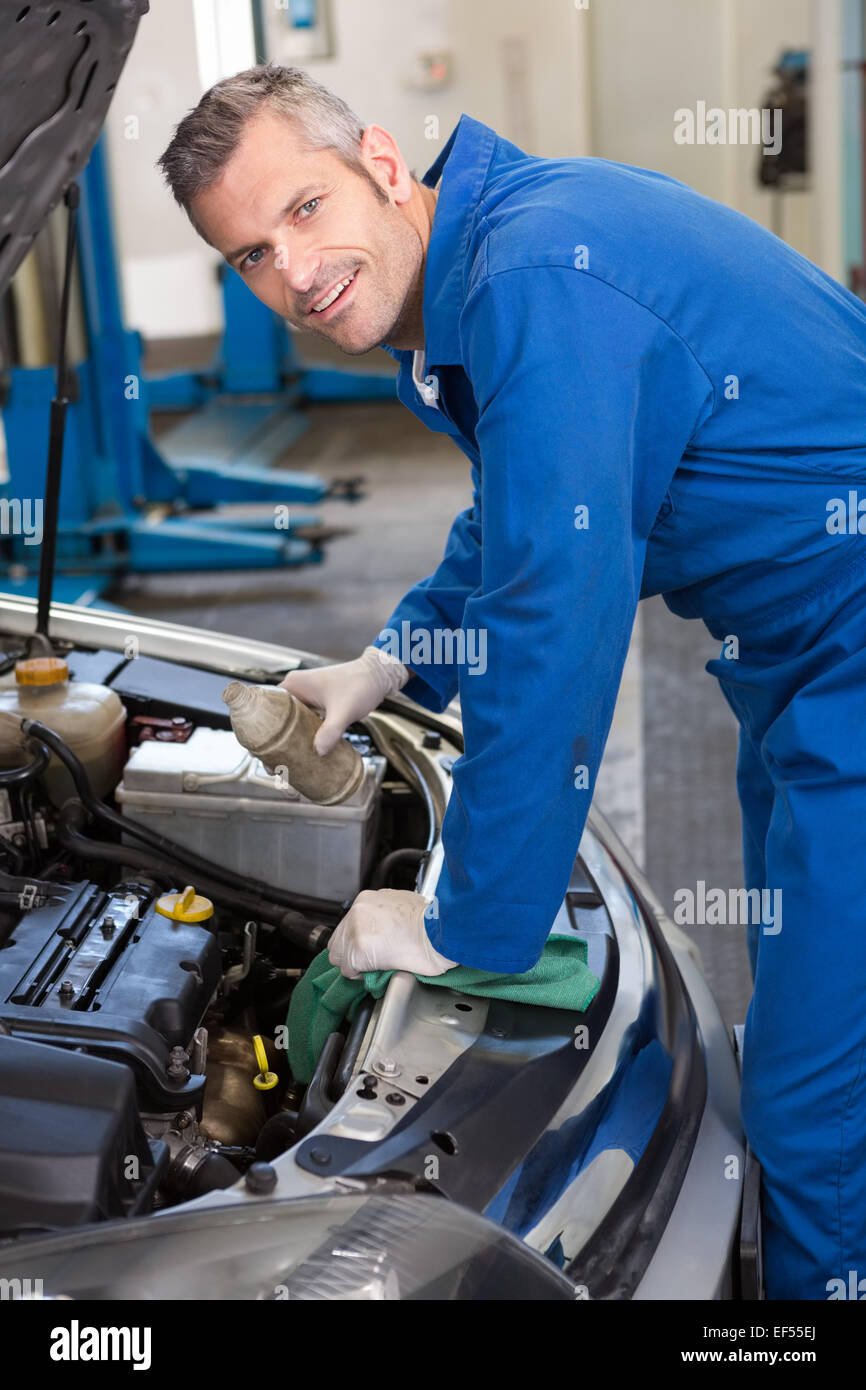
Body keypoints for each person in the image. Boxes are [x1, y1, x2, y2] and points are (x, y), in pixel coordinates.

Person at [159, 64, 866, 1300]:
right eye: (250, 255)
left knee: (809, 1112)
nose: (293, 271)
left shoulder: (536, 282)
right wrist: (392, 655)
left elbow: (552, 625)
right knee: (822, 1022)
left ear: (382, 162)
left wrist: (459, 925)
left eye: (306, 209)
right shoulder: (483, 270)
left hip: (847, 656)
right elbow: (521, 520)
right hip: (802, 664)